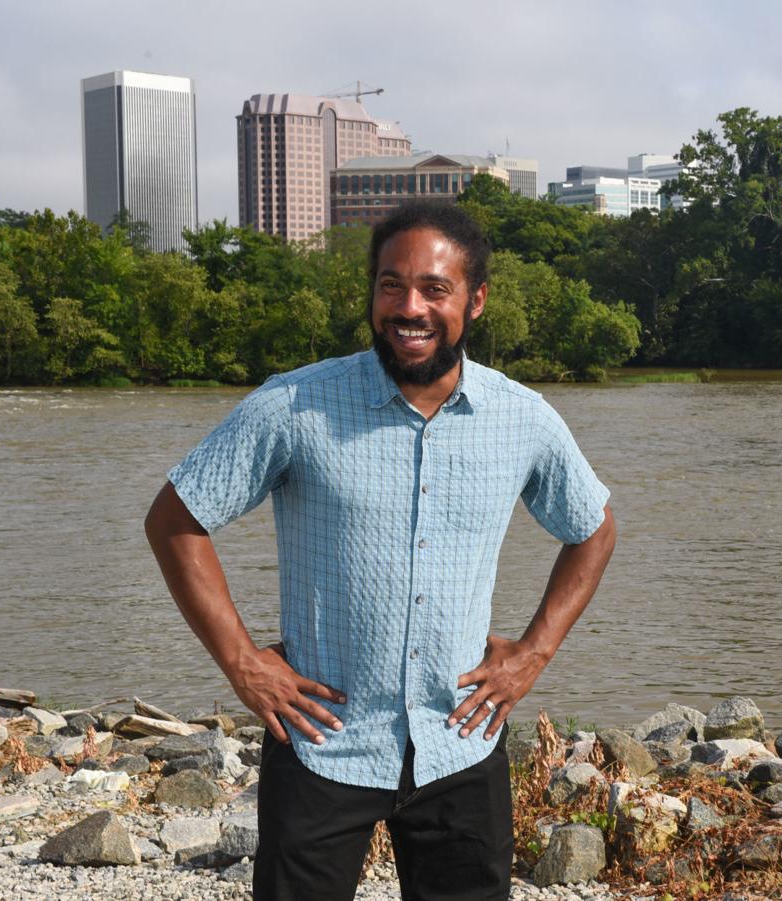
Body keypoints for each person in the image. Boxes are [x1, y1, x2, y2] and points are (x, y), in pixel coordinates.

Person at [145, 202, 616, 901]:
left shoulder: (524, 419)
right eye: (391, 285)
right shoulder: (295, 405)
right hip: (321, 740)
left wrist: (532, 653)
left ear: (476, 300)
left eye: (434, 288)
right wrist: (244, 663)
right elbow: (175, 518)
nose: (409, 307)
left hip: (460, 740)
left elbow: (594, 528)